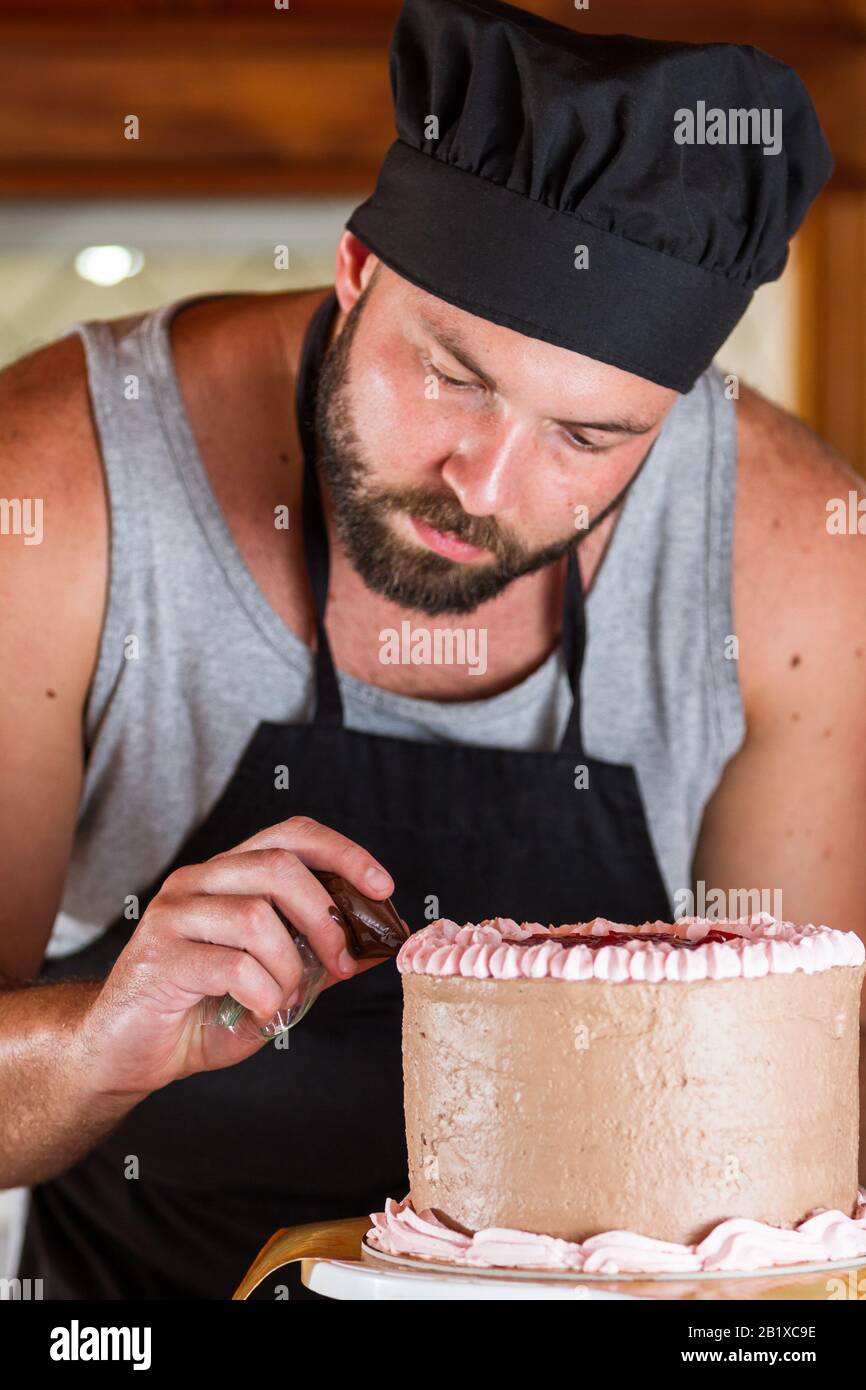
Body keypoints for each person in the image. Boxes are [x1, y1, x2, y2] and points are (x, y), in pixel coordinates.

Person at [1, 0, 863, 1300]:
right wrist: (93, 1040)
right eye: (452, 376)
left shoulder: (801, 558)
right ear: (355, 274)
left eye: (587, 440)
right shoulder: (54, 491)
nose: (483, 482)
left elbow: (803, 1112)